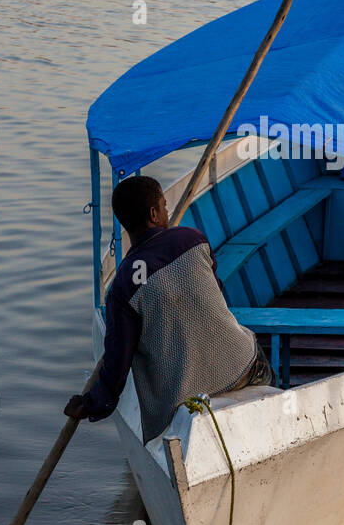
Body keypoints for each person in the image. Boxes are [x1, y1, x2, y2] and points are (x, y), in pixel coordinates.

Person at [64, 175, 273, 442]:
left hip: (183, 398)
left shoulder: (122, 287)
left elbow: (116, 367)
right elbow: (215, 294)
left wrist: (89, 405)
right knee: (252, 349)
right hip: (243, 367)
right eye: (164, 205)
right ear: (153, 214)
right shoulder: (193, 240)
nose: (167, 211)